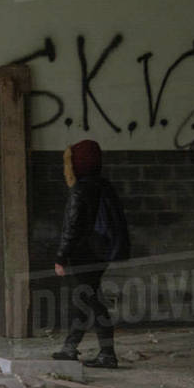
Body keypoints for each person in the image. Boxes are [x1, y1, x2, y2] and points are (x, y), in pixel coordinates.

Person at [51, 139, 124, 369]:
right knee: (84, 299)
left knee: (92, 302)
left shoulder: (80, 190)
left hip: (83, 254)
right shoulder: (104, 185)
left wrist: (61, 257)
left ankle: (107, 354)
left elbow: (72, 228)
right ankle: (70, 348)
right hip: (100, 252)